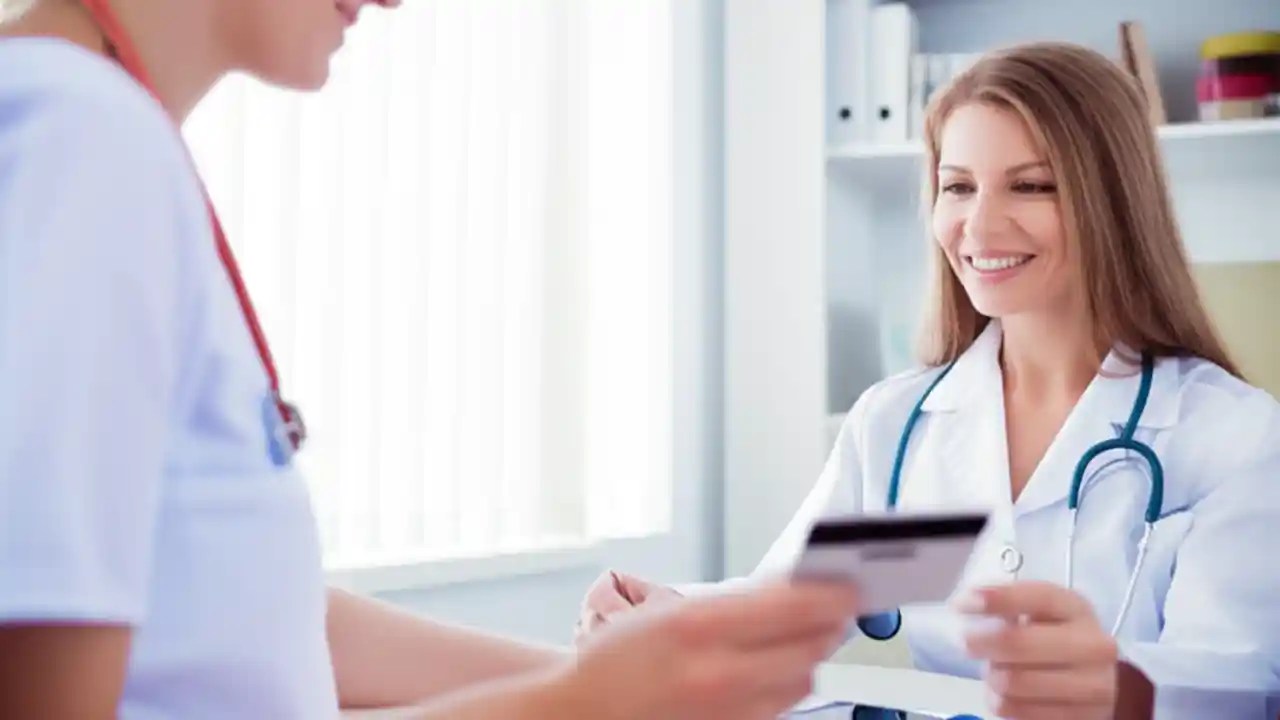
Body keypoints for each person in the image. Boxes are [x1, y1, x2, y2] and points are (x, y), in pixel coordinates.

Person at [0, 0, 863, 717]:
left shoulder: (98, 133)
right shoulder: (79, 139)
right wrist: (580, 704)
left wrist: (629, 680)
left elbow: (249, 619)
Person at [580, 41, 1280, 719]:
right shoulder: (902, 426)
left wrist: (1111, 687)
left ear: (1115, 201)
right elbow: (802, 605)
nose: (980, 225)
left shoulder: (1227, 436)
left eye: (1031, 185)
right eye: (958, 187)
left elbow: (1237, 681)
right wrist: (670, 614)